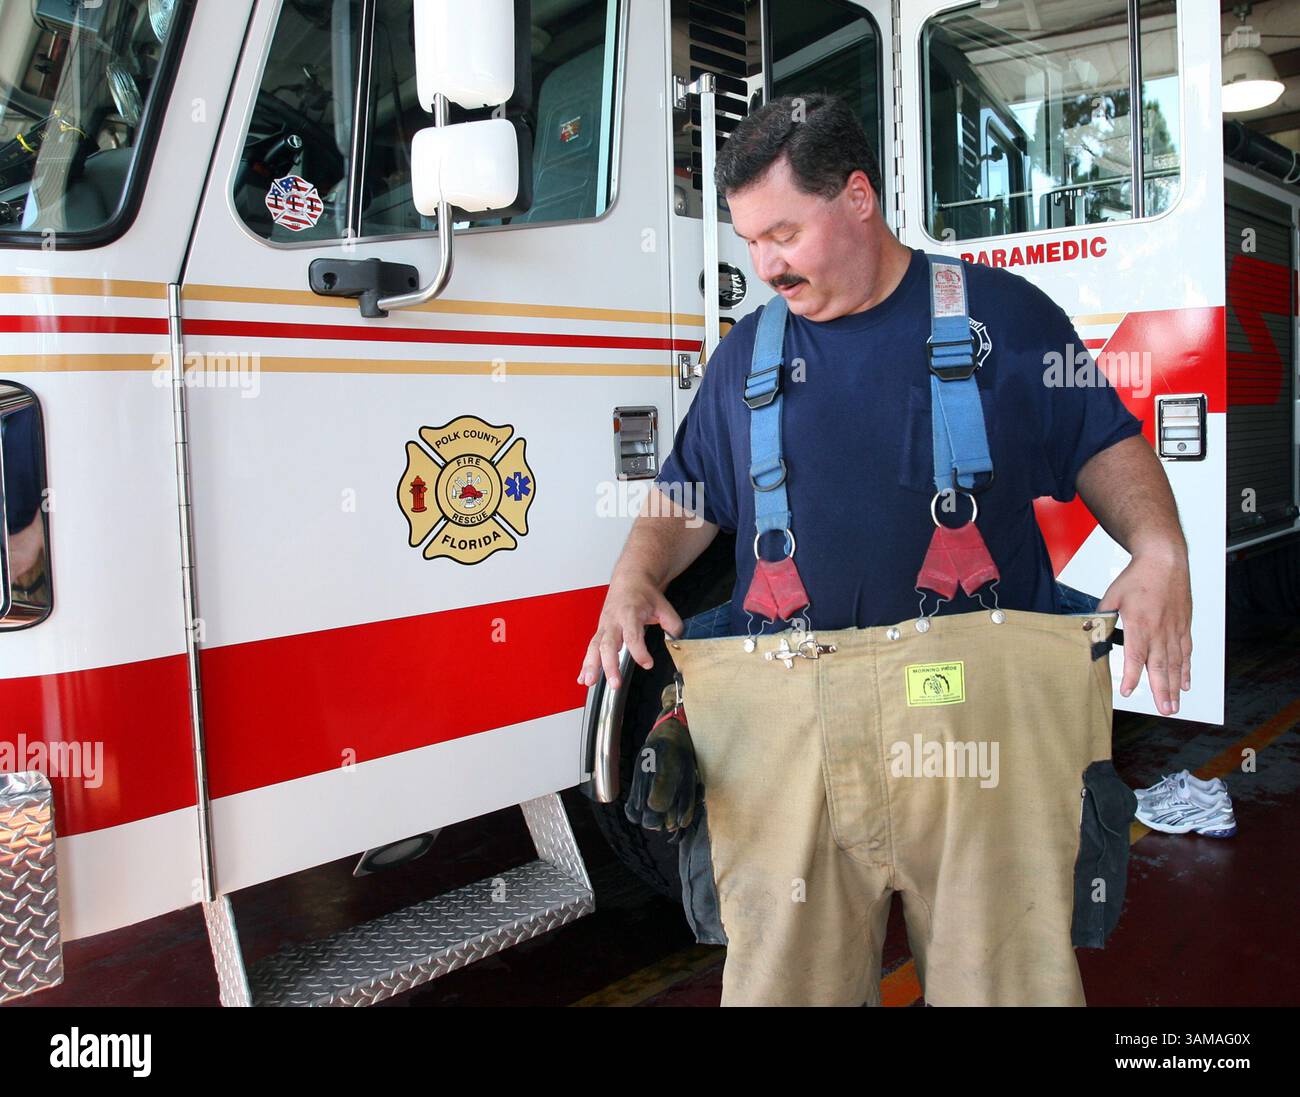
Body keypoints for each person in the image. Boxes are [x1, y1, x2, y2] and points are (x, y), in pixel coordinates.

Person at [576, 94, 1192, 1006]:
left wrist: (1159, 548)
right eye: (749, 240)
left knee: (1007, 985)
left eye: (783, 231)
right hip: (786, 742)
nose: (764, 264)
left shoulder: (1007, 320)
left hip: (975, 727)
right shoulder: (746, 354)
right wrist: (634, 573)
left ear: (858, 198)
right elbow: (687, 495)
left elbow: (1105, 444)